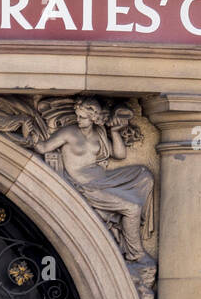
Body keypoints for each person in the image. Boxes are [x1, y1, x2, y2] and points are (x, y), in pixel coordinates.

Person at [33, 97, 153, 261]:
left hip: (103, 178)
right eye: (78, 116)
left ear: (94, 118)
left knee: (144, 174)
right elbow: (43, 147)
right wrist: (30, 133)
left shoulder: (100, 133)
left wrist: (115, 132)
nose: (78, 120)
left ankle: (138, 225)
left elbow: (119, 155)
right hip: (86, 186)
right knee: (132, 208)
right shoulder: (68, 132)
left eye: (82, 117)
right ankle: (135, 253)